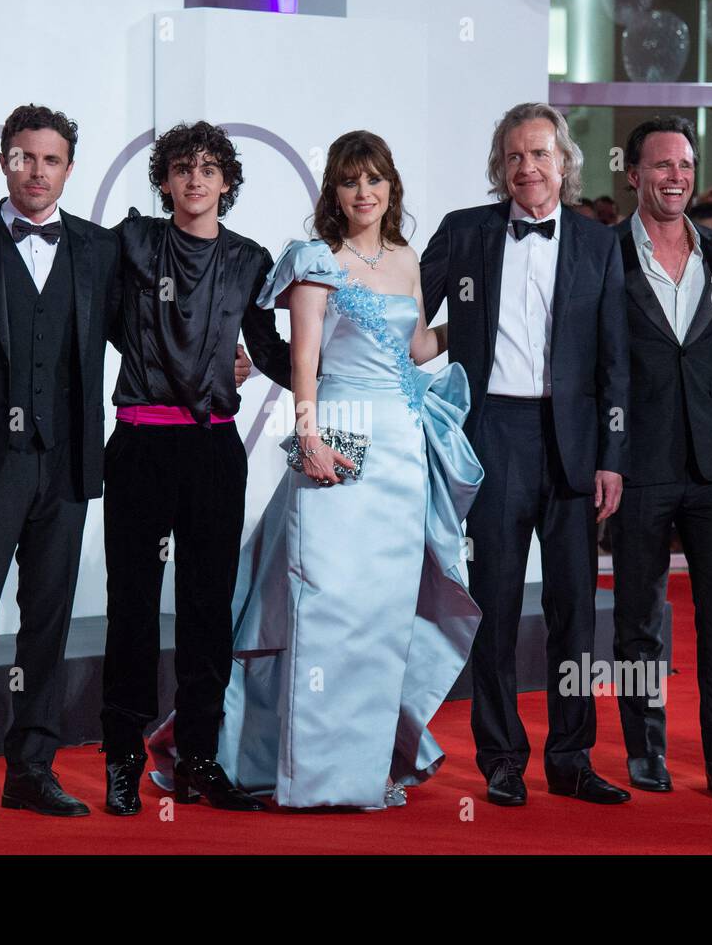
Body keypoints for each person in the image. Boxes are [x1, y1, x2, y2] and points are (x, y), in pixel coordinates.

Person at [0, 122, 282, 817]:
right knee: (130, 612)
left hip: (215, 451)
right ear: (163, 180)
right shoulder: (125, 243)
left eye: (209, 169)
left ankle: (198, 756)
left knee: (206, 611)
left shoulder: (253, 260)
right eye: (182, 169)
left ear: (228, 181)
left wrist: (345, 369)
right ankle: (125, 762)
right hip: (138, 447)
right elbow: (80, 305)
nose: (195, 180)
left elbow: (270, 350)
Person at [149, 130, 481, 810]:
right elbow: (303, 364)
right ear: (333, 191)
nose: (364, 192)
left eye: (375, 179)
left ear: (392, 188)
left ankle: (361, 768)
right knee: (324, 608)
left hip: (400, 446)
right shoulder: (314, 261)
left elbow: (417, 345)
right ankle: (306, 772)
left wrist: (483, 316)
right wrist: (309, 440)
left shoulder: (407, 259)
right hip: (337, 435)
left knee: (381, 615)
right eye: (351, 181)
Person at [420, 103, 631, 806]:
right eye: (513, 156)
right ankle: (501, 757)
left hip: (572, 445)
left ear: (565, 164)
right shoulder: (465, 232)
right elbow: (405, 311)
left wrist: (613, 455)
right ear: (499, 166)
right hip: (494, 438)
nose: (526, 168)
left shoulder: (600, 245)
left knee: (575, 611)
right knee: (496, 606)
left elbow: (615, 361)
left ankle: (571, 757)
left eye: (539, 154)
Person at [0, 105, 120, 823]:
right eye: (23, 157)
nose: (36, 172)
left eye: (50, 160)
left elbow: (142, 333)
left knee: (48, 622)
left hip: (66, 465)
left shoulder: (100, 249)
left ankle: (32, 768)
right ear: (3, 162)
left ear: (70, 169)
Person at [611, 117, 712, 801]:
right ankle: (644, 751)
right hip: (638, 460)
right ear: (633, 174)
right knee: (639, 617)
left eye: (686, 165)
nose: (676, 177)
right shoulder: (604, 252)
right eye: (662, 165)